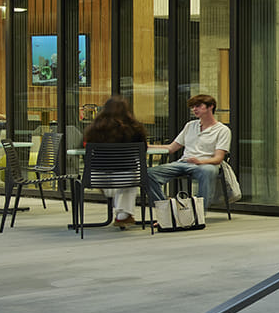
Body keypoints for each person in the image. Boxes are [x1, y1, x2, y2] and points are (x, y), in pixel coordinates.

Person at [146, 94, 231, 206]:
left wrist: (200, 161)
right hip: (184, 163)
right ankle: (166, 210)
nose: (194, 109)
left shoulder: (222, 130)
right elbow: (171, 148)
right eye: (193, 107)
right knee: (148, 174)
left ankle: (199, 214)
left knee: (207, 171)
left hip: (206, 164)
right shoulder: (190, 125)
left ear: (210, 107)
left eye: (198, 106)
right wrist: (146, 146)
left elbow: (218, 158)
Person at [83, 96, 148, 228]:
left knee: (123, 181)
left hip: (97, 179)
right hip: (126, 178)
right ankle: (123, 215)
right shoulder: (136, 128)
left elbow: (84, 151)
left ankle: (122, 215)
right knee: (130, 179)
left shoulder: (94, 129)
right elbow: (143, 150)